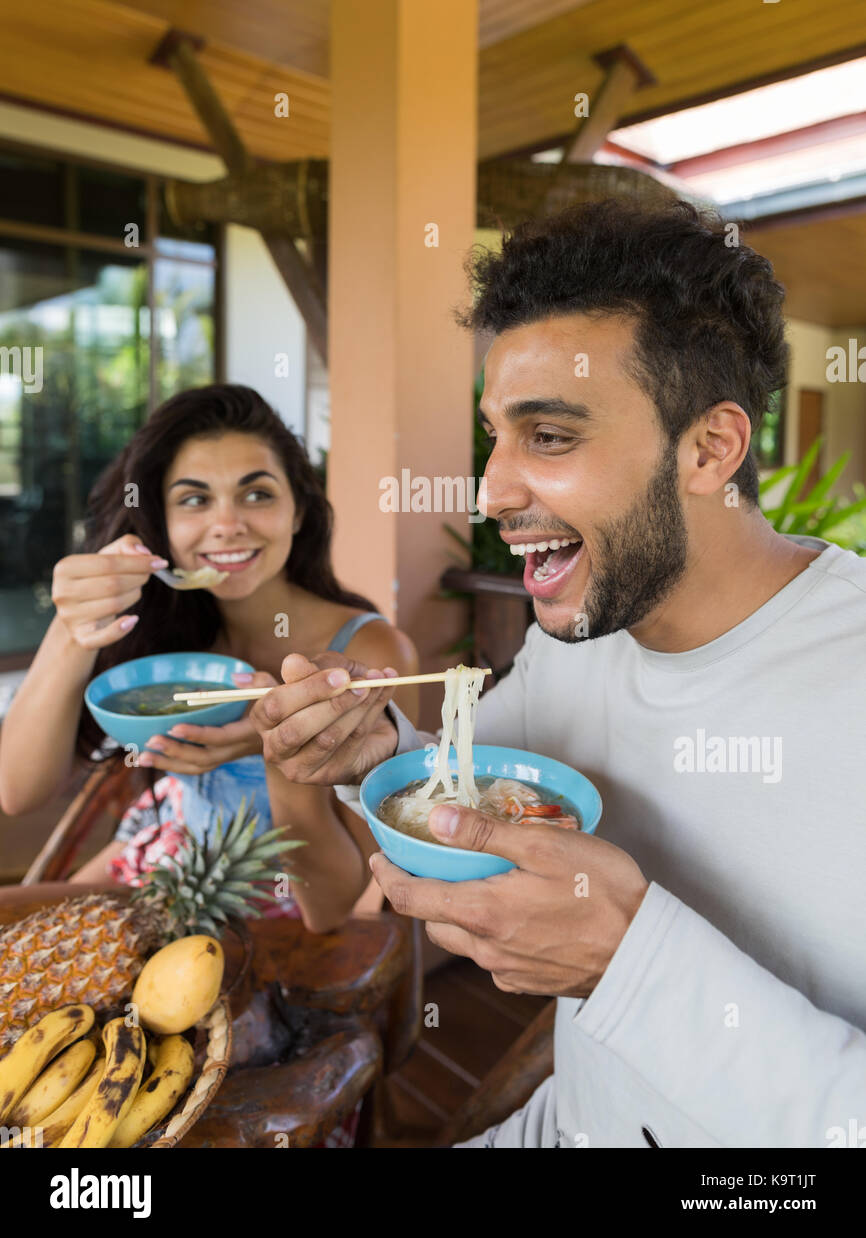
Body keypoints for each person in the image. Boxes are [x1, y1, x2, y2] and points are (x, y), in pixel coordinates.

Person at [248, 199, 866, 1147]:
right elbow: (468, 789)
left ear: (711, 448)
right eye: (496, 434)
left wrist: (629, 962)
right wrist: (376, 746)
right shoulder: (583, 633)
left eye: (550, 436)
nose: (491, 491)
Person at [0, 384, 417, 933]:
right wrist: (72, 628)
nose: (227, 524)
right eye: (194, 499)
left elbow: (330, 906)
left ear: (297, 512)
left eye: (257, 494)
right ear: (162, 528)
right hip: (159, 851)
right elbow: (18, 792)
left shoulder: (369, 655)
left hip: (267, 925)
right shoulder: (168, 626)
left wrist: (280, 744)